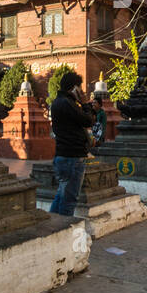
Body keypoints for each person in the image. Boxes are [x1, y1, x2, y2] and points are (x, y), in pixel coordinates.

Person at [47, 73, 95, 216]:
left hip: (63, 155)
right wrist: (85, 103)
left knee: (61, 196)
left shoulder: (59, 102)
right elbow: (88, 121)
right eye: (79, 87)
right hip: (72, 157)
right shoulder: (67, 103)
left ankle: (53, 225)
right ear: (74, 88)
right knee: (69, 200)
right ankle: (64, 229)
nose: (81, 91)